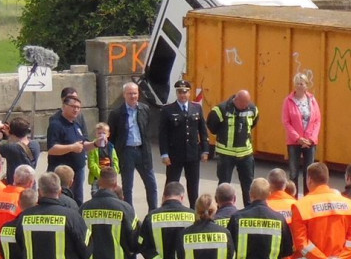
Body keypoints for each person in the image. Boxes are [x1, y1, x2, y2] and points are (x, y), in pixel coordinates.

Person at [107, 82, 158, 211]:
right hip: (126, 152)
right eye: (130, 93)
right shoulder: (116, 113)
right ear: (124, 95)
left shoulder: (144, 109)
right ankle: (129, 214)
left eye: (135, 93)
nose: (133, 96)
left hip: (143, 151)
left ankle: (152, 212)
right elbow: (111, 137)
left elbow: (147, 129)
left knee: (151, 184)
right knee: (127, 187)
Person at [158, 79, 208, 208]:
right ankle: (168, 208)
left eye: (185, 92)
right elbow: (163, 134)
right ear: (177, 93)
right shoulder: (168, 110)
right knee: (172, 184)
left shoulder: (196, 107)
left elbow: (202, 130)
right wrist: (164, 154)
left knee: (193, 185)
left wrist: (205, 150)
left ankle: (194, 210)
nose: (183, 95)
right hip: (175, 154)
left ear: (189, 93)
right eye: (180, 92)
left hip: (192, 154)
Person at [208, 90, 260, 203]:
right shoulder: (221, 109)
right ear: (236, 100)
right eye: (243, 104)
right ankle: (221, 209)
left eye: (247, 103)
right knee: (224, 185)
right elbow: (212, 126)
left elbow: (253, 123)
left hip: (246, 154)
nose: (245, 106)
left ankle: (249, 209)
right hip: (226, 154)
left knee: (248, 185)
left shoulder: (252, 109)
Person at [46, 93, 94, 204]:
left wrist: (95, 144)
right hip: (62, 173)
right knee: (62, 201)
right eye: (73, 107)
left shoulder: (76, 125)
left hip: (77, 171)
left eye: (78, 108)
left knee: (77, 201)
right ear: (64, 106)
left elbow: (82, 145)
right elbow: (52, 148)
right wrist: (72, 147)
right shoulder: (56, 124)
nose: (76, 110)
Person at [282, 72, 322, 196]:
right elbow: (286, 122)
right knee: (293, 173)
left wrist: (311, 138)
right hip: (294, 142)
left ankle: (307, 199)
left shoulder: (312, 100)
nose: (300, 86)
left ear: (306, 85)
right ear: (295, 85)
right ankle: (292, 199)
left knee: (309, 173)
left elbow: (317, 120)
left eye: (302, 83)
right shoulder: (288, 101)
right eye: (298, 83)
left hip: (310, 142)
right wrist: (298, 138)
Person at [0, 116, 40, 187]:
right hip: (31, 188)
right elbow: (18, 145)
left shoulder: (12, 149)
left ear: (12, 133)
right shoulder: (35, 144)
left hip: (16, 189)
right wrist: (10, 134)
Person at [85, 122, 119, 199]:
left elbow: (115, 160)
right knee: (96, 195)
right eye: (99, 133)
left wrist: (114, 172)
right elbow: (91, 164)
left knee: (111, 196)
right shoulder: (93, 147)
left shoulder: (111, 147)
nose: (101, 135)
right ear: (96, 134)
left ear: (108, 134)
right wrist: (101, 175)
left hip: (109, 177)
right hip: (97, 178)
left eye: (104, 133)